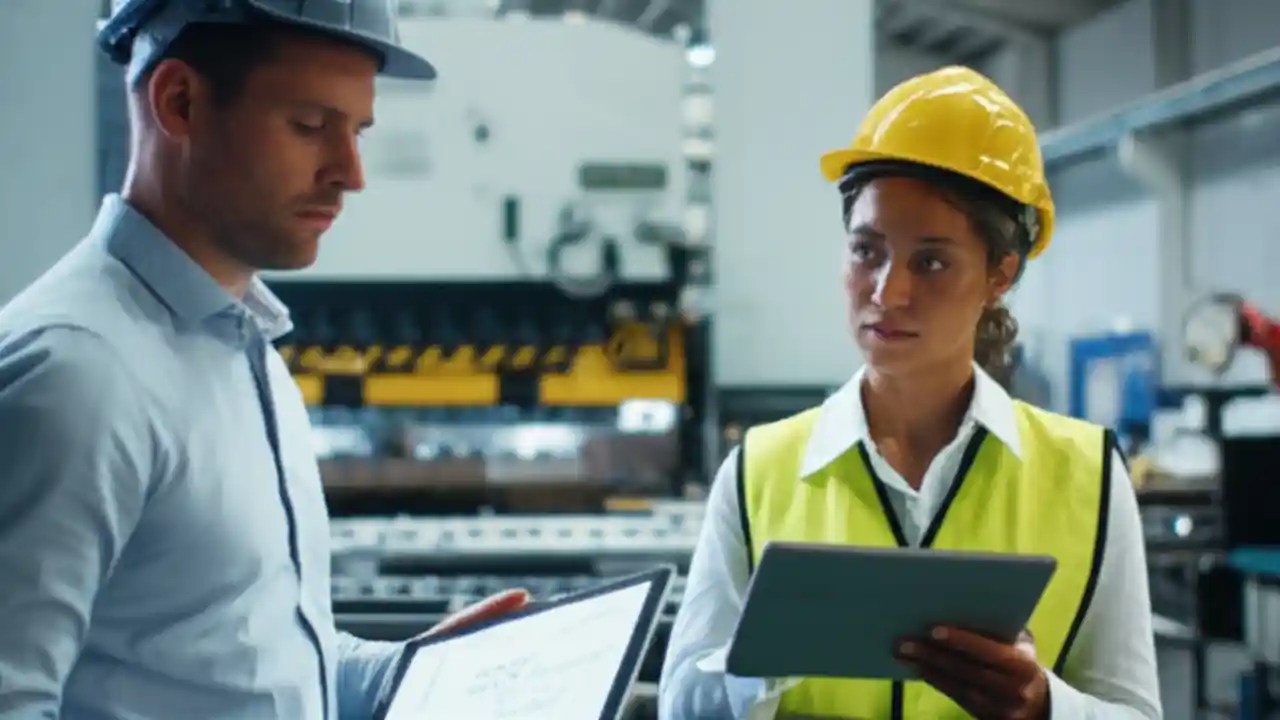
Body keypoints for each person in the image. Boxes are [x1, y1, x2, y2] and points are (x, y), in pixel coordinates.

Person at [0, 1, 528, 717]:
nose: (350, 173)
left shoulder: (243, 349)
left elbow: (244, 659)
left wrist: (418, 675)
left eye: (358, 132)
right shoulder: (77, 376)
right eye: (310, 127)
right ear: (179, 102)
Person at [659, 66, 1163, 720]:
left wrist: (1046, 707)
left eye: (930, 261)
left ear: (998, 275)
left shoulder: (1088, 474)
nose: (887, 292)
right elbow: (679, 706)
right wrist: (757, 667)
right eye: (867, 251)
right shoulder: (757, 472)